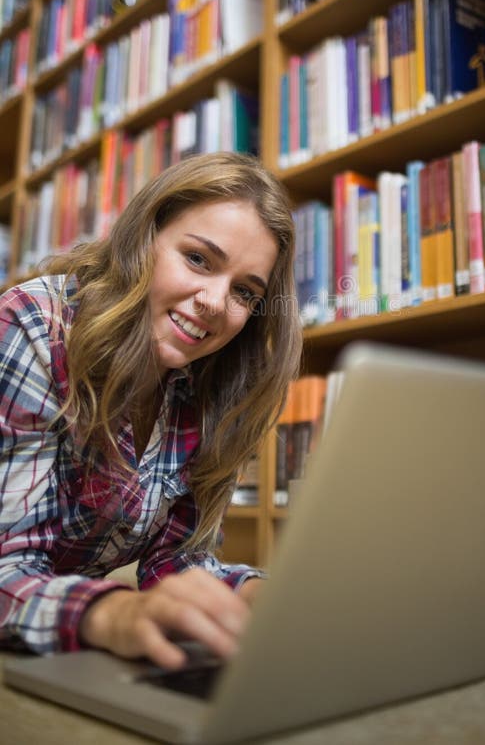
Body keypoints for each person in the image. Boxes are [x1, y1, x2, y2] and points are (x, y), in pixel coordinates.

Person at [0, 152, 303, 670]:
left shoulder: (209, 381)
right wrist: (117, 615)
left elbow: (176, 562)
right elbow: (7, 569)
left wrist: (256, 599)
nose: (214, 300)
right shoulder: (33, 328)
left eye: (245, 292)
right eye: (199, 259)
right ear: (143, 238)